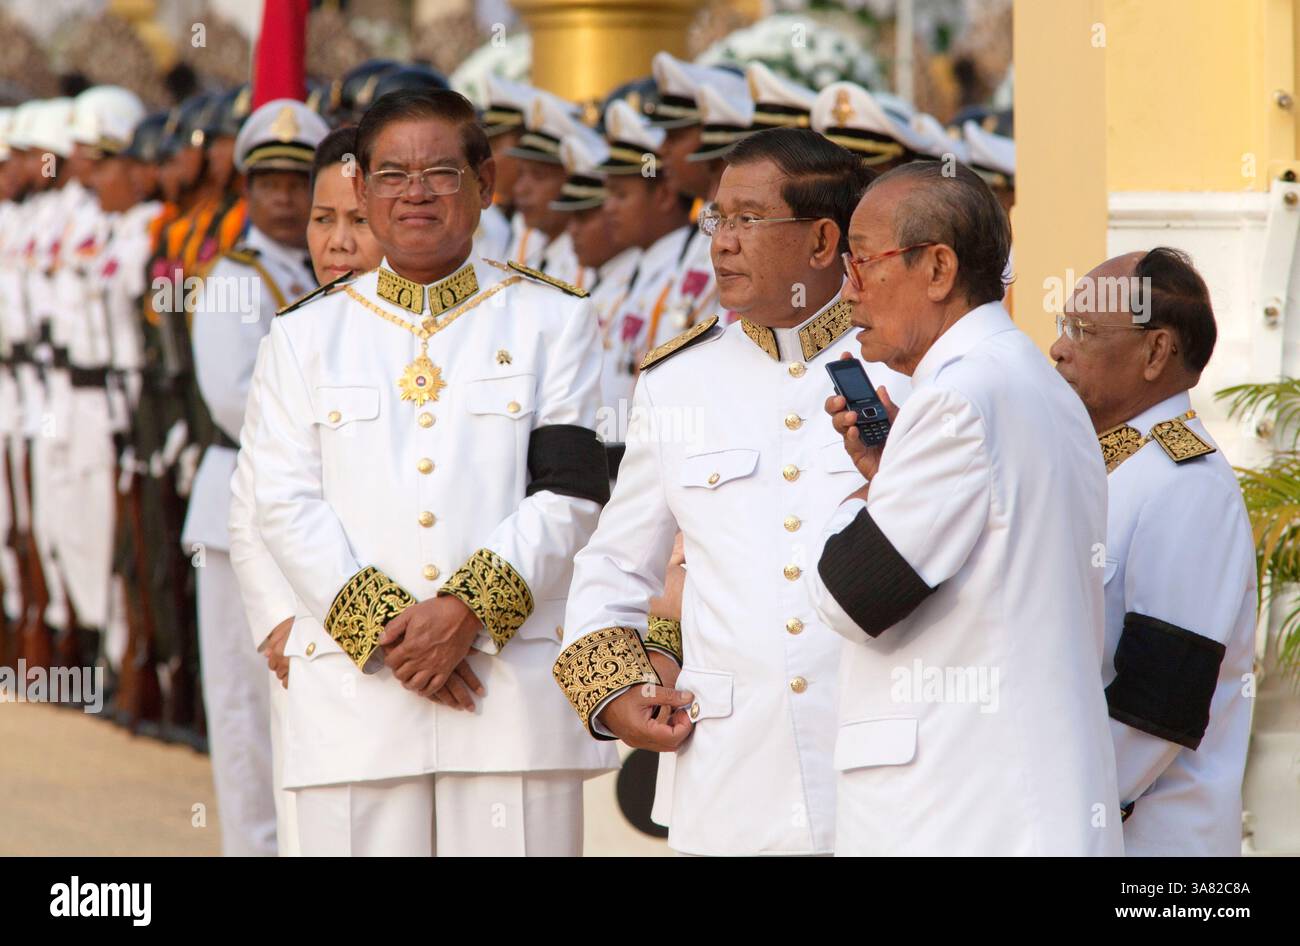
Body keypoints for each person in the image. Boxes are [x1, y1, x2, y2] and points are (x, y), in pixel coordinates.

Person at [242, 88, 615, 856]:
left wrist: (467, 612)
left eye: (441, 172)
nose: (415, 192)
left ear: (485, 184)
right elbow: (280, 499)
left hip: (505, 693)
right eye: (391, 174)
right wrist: (391, 631)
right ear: (365, 188)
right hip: (357, 693)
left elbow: (573, 490)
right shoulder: (305, 334)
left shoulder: (554, 319)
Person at [554, 128, 908, 856]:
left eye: (748, 220)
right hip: (730, 776)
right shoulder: (679, 380)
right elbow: (616, 564)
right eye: (717, 219)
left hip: (882, 768)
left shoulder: (906, 368)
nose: (721, 243)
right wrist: (613, 691)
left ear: (820, 242)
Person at [809, 159, 1123, 856]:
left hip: (962, 810)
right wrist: (890, 475)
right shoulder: (1030, 382)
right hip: (1016, 803)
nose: (847, 289)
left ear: (939, 269)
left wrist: (864, 492)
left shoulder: (957, 400)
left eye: (861, 262)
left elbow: (850, 595)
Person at [1051, 248, 1255, 855]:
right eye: (1064, 326)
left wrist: (1055, 813)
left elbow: (1156, 706)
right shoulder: (1106, 466)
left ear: (1156, 352)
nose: (1060, 348)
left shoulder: (1186, 483)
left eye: (1083, 331)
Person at [227, 124, 382, 857]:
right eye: (324, 221)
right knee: (315, 827)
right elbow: (251, 503)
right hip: (312, 636)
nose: (337, 242)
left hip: (409, 638)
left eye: (358, 221)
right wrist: (275, 624)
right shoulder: (291, 337)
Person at [185, 98, 327, 856]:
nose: (282, 195)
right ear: (244, 188)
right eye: (267, 181)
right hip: (235, 503)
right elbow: (233, 397)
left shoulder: (330, 268)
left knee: (300, 698)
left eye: (295, 179)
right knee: (243, 707)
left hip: (310, 509)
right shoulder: (235, 279)